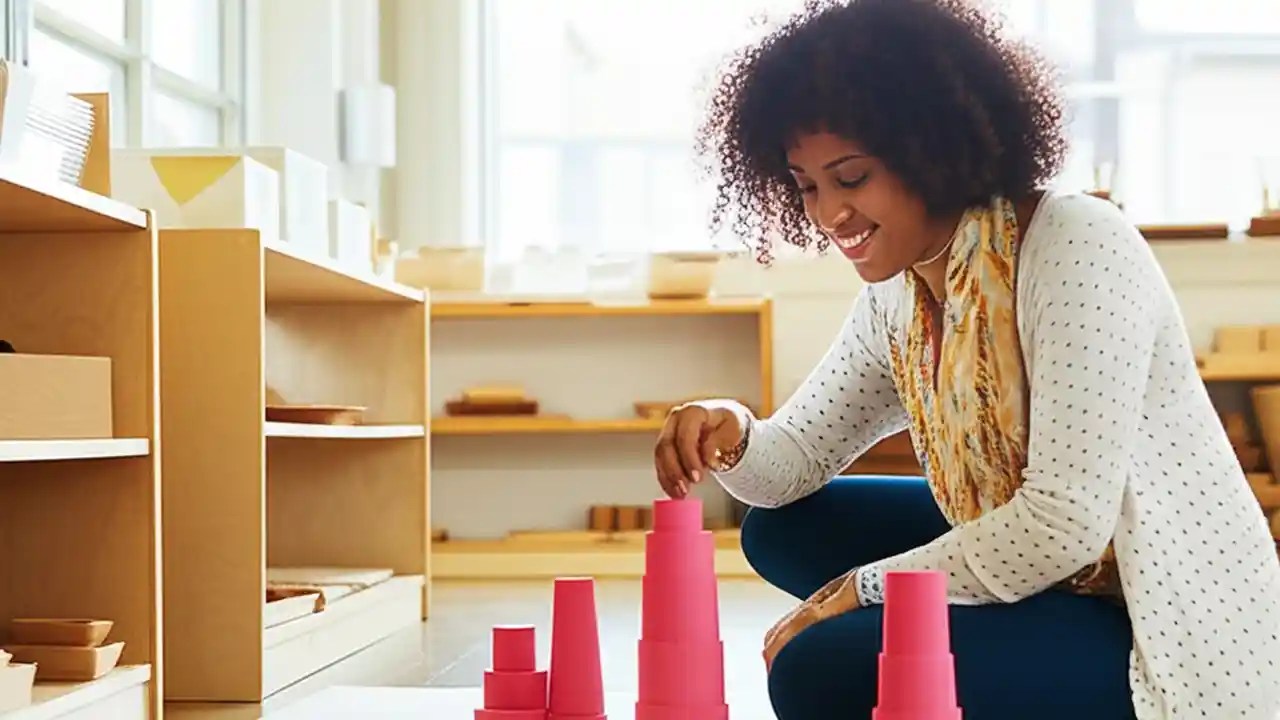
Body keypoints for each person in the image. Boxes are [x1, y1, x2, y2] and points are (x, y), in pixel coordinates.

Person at [652, 1, 1280, 718]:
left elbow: (1063, 525)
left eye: (851, 177)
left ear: (930, 146)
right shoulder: (900, 290)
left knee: (821, 669)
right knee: (779, 527)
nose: (828, 215)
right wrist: (731, 431)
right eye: (808, 185)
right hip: (1054, 574)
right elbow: (792, 461)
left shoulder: (1077, 244)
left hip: (1151, 606)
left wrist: (864, 590)